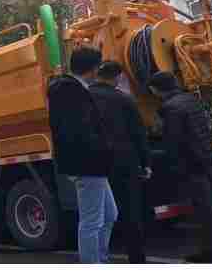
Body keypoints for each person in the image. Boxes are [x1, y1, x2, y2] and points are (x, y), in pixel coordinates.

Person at [148, 71, 212, 263]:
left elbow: (174, 140)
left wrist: (162, 157)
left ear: (155, 90)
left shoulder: (169, 108)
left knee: (205, 208)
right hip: (208, 157)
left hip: (192, 162)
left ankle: (210, 252)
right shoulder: (191, 100)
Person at [48, 47, 117, 263]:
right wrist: (103, 149)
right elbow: (79, 131)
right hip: (88, 163)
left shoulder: (71, 88)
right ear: (93, 68)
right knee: (91, 221)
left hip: (92, 163)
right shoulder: (70, 91)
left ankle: (101, 259)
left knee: (109, 215)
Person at [89, 61, 151, 264]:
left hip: (95, 164)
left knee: (96, 215)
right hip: (125, 163)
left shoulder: (84, 98)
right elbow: (138, 133)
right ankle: (136, 258)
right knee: (131, 211)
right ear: (117, 77)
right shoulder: (124, 99)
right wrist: (146, 163)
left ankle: (99, 259)